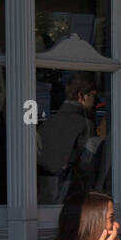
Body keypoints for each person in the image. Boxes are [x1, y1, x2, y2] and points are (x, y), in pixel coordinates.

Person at [36, 73, 98, 203]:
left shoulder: (48, 121)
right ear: (82, 95)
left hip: (41, 192)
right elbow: (85, 165)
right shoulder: (85, 123)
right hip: (68, 192)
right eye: (92, 95)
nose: (95, 101)